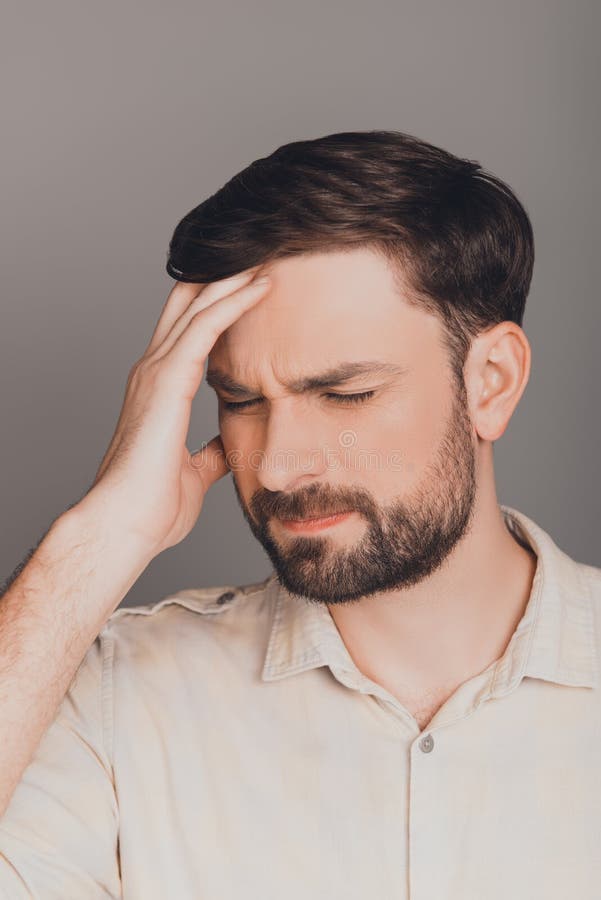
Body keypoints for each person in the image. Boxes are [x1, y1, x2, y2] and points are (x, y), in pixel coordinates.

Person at [0, 130, 599, 899]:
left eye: (344, 394)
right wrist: (100, 536)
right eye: (242, 401)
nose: (278, 466)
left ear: (490, 381)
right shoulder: (112, 699)